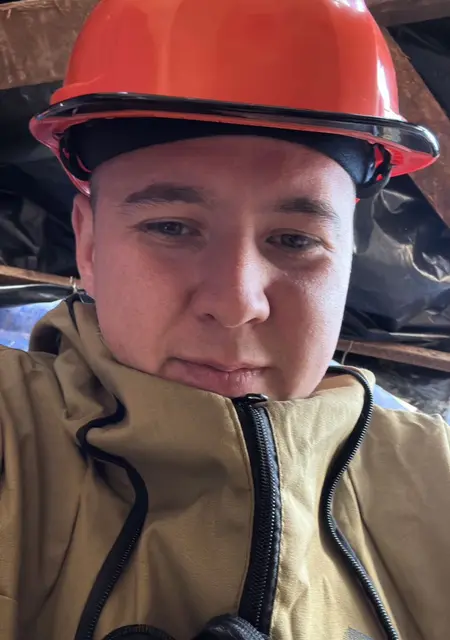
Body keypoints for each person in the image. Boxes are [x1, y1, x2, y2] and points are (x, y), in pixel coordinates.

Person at [0, 0, 446, 639]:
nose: (237, 303)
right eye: (171, 227)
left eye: (294, 240)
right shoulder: (13, 433)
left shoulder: (435, 478)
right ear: (89, 246)